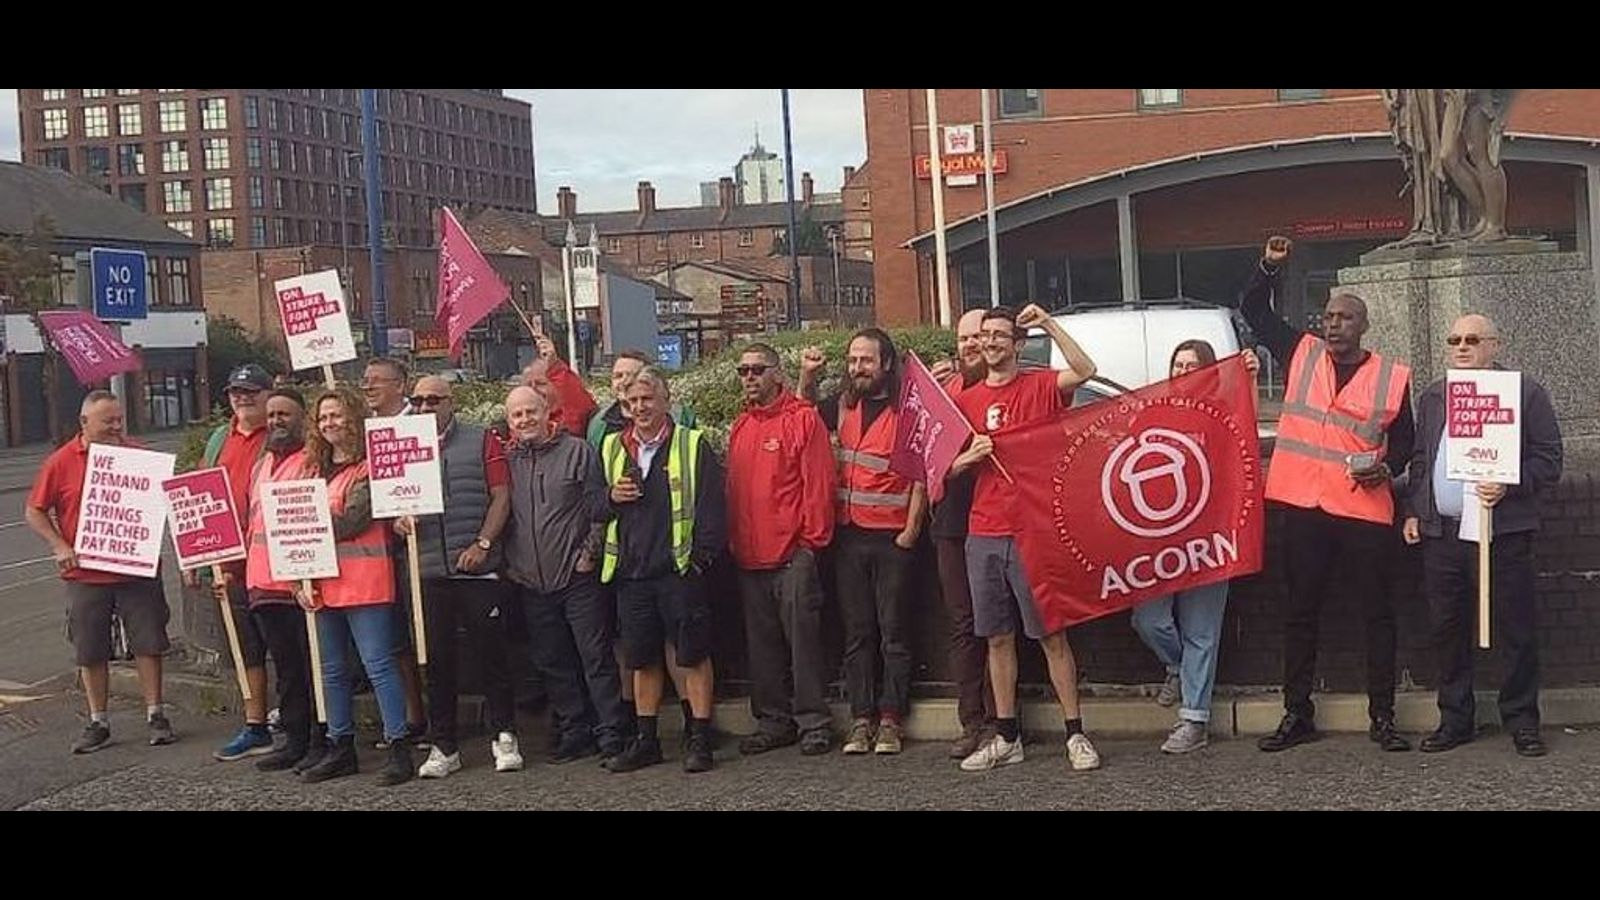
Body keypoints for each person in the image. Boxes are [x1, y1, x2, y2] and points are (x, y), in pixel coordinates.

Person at [1231, 236, 1417, 753]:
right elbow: (1251, 309)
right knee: (1300, 613)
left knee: (1377, 615)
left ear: (1364, 325)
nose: (1333, 323)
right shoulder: (1301, 353)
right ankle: (1298, 714)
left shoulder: (1391, 377)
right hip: (1304, 507)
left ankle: (1383, 716)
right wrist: (1269, 266)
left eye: (1344, 317)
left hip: (1362, 509)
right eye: (1329, 316)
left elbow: (1405, 443)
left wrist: (1390, 469)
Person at [947, 304, 1101, 773]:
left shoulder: (1038, 386)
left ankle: (1075, 733)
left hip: (1035, 531)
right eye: (984, 335)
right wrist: (968, 459)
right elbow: (943, 471)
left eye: (999, 335)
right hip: (984, 532)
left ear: (1017, 344)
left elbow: (1086, 370)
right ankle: (1007, 735)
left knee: (1052, 633)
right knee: (997, 637)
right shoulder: (964, 400)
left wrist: (1049, 323)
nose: (989, 342)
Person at [1402, 314, 1563, 757]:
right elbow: (1421, 459)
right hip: (1444, 536)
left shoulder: (1524, 393)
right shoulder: (1436, 396)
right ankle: (1455, 718)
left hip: (1504, 534)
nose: (1462, 346)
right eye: (1454, 339)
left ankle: (1523, 721)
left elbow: (1550, 459)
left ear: (1494, 345)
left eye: (1473, 339)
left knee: (1515, 628)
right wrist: (1416, 509)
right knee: (1446, 628)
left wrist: (1509, 483)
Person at [796, 329, 927, 755]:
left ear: (886, 363)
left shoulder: (906, 409)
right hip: (848, 536)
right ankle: (860, 718)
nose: (858, 368)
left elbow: (920, 474)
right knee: (857, 633)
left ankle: (890, 719)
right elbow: (802, 417)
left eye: (866, 361)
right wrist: (808, 378)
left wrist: (910, 531)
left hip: (892, 538)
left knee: (893, 632)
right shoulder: (842, 404)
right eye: (853, 360)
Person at [1128, 340, 1259, 754]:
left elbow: (1248, 440)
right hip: (1161, 539)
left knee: (1203, 630)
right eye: (1177, 364)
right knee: (1148, 619)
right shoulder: (1153, 413)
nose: (1183, 371)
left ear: (1209, 373)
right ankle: (1177, 668)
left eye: (1193, 365)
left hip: (1209, 538)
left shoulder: (1222, 415)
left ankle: (1194, 719)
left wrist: (1250, 380)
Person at [26, 392, 175, 754]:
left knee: (149, 641)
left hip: (135, 569)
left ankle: (156, 714)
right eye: (108, 421)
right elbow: (35, 510)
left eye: (119, 420)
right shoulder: (60, 462)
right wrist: (59, 545)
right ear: (84, 423)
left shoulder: (137, 455)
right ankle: (98, 720)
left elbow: (163, 500)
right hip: (86, 574)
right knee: (90, 648)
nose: (116, 427)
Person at [598, 367, 726, 773]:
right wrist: (610, 496)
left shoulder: (692, 444)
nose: (639, 408)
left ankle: (700, 737)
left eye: (647, 400)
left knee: (692, 655)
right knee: (641, 659)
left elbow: (712, 508)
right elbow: (590, 507)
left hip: (679, 569)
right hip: (633, 572)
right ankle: (646, 740)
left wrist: (700, 561)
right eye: (631, 402)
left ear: (666, 401)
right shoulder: (611, 447)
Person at [396, 376, 522, 778]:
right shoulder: (401, 443)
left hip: (476, 568)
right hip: (430, 568)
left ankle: (505, 734)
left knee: (492, 656)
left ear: (451, 402)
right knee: (437, 662)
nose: (424, 408)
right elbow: (392, 500)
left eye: (434, 400)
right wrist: (399, 521)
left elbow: (501, 494)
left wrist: (483, 544)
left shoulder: (480, 438)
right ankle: (444, 744)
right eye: (417, 401)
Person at [502, 385, 631, 762]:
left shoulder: (577, 451)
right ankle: (576, 729)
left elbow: (597, 507)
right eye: (517, 415)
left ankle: (611, 729)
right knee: (552, 660)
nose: (525, 420)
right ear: (509, 421)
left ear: (547, 412)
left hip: (577, 574)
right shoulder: (508, 461)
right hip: (530, 578)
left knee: (595, 656)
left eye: (531, 412)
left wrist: (588, 553)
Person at [296, 388, 415, 785]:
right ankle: (340, 745)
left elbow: (354, 520)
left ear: (354, 417)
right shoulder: (312, 469)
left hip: (366, 582)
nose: (330, 423)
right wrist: (298, 573)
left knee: (378, 665)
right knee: (330, 670)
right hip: (322, 580)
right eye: (323, 417)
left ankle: (399, 746)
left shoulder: (371, 466)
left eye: (337, 415)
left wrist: (304, 527)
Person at [726, 343, 838, 756]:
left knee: (803, 643)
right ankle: (773, 720)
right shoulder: (741, 426)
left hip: (793, 554)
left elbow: (819, 486)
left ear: (777, 374)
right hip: (749, 556)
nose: (749, 377)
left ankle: (814, 721)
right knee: (762, 647)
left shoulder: (803, 420)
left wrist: (810, 544)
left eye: (756, 369)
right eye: (742, 371)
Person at [193, 364, 276, 762]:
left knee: (289, 647)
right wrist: (194, 558)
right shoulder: (217, 441)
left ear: (268, 394)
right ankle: (255, 724)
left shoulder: (279, 437)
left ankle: (304, 722)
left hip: (272, 562)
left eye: (251, 392)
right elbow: (196, 497)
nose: (243, 399)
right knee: (246, 650)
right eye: (235, 393)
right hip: (228, 565)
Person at [237, 389, 322, 773]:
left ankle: (321, 740)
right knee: (286, 668)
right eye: (271, 415)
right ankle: (295, 739)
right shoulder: (262, 464)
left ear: (303, 418)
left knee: (313, 666)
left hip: (300, 584)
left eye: (284, 414)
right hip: (263, 583)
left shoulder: (312, 461)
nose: (275, 421)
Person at [926, 309, 997, 759]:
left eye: (980, 336)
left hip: (999, 521)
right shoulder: (943, 395)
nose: (971, 344)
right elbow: (926, 461)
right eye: (965, 337)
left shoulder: (1004, 387)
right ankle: (973, 721)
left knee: (999, 624)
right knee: (964, 625)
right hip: (952, 523)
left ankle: (1002, 720)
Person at [361, 356, 428, 747]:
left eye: (376, 380)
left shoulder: (417, 426)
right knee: (394, 638)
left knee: (422, 633)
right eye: (365, 380)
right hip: (374, 551)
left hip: (416, 547)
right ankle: (410, 716)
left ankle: (433, 718)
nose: (368, 386)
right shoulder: (365, 432)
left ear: (400, 384)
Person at [524, 334, 599, 438]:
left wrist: (554, 364)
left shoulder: (566, 421)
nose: (534, 389)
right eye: (528, 385)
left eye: (540, 383)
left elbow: (577, 414)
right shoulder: (520, 426)